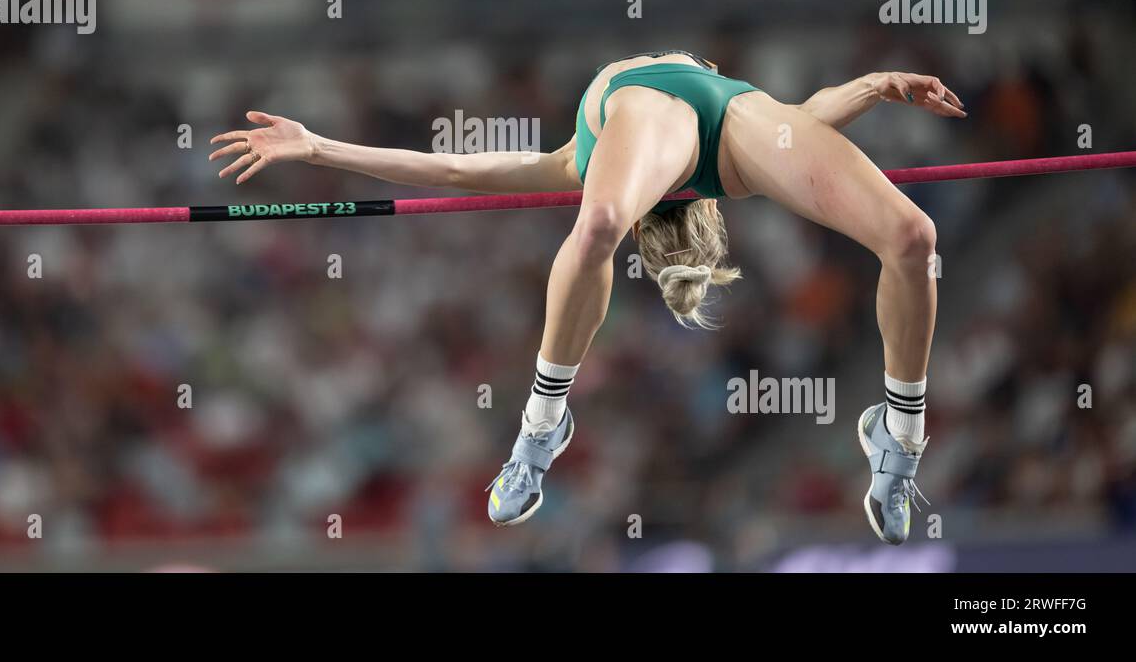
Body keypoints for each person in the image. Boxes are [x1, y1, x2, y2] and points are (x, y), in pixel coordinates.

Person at [209, 50, 966, 544]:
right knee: (600, 221)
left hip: (725, 118)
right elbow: (806, 121)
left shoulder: (598, 160)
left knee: (912, 239)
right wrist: (875, 85)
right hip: (722, 119)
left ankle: (894, 437)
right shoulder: (670, 169)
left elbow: (452, 172)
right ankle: (543, 427)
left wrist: (321, 146)